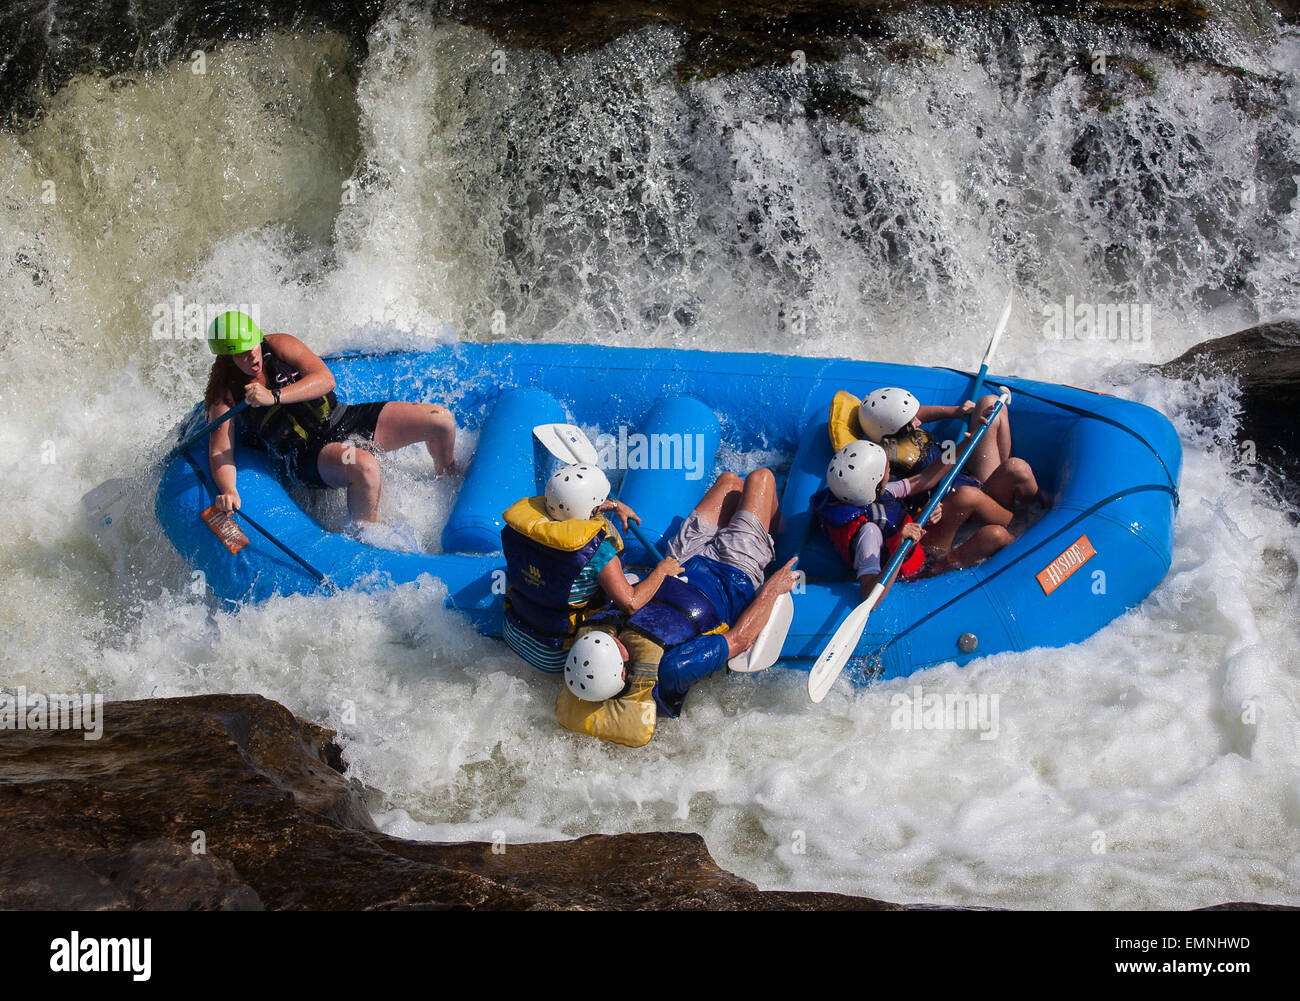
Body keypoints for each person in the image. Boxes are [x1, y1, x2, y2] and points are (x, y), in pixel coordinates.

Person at [554, 468, 799, 748]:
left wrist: (607, 506)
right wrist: (773, 588)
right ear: (622, 672)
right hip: (731, 575)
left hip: (677, 563)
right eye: (615, 645)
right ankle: (778, 532)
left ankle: (763, 521)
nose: (614, 637)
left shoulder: (592, 635)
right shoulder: (672, 669)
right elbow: (739, 640)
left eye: (608, 636)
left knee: (730, 481)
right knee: (761, 478)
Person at [203, 310, 457, 523]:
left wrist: (275, 396)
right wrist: (228, 490)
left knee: (440, 420)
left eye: (253, 345)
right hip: (305, 454)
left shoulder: (279, 344)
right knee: (365, 467)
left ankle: (448, 479)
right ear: (227, 358)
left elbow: (325, 379)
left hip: (341, 418)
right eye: (241, 353)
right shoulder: (225, 393)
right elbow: (220, 451)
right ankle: (369, 539)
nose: (252, 356)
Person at [501, 462, 682, 675]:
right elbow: (631, 603)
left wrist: (614, 505)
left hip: (512, 632)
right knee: (637, 584)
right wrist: (662, 570)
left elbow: (575, 514)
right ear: (593, 509)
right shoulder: (599, 551)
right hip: (555, 656)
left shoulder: (520, 529)